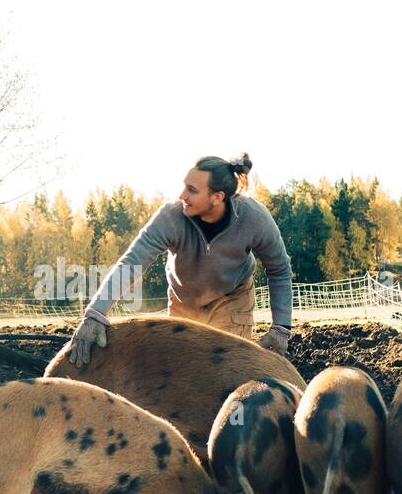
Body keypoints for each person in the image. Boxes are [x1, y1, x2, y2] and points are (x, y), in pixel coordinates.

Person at [68, 153, 294, 367]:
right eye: (184, 186)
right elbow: (131, 262)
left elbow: (279, 269)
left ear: (217, 197)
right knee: (183, 370)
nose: (181, 195)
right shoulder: (170, 217)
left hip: (232, 298)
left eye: (192, 190)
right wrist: (95, 313)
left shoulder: (254, 218)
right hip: (184, 301)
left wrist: (281, 328)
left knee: (226, 369)